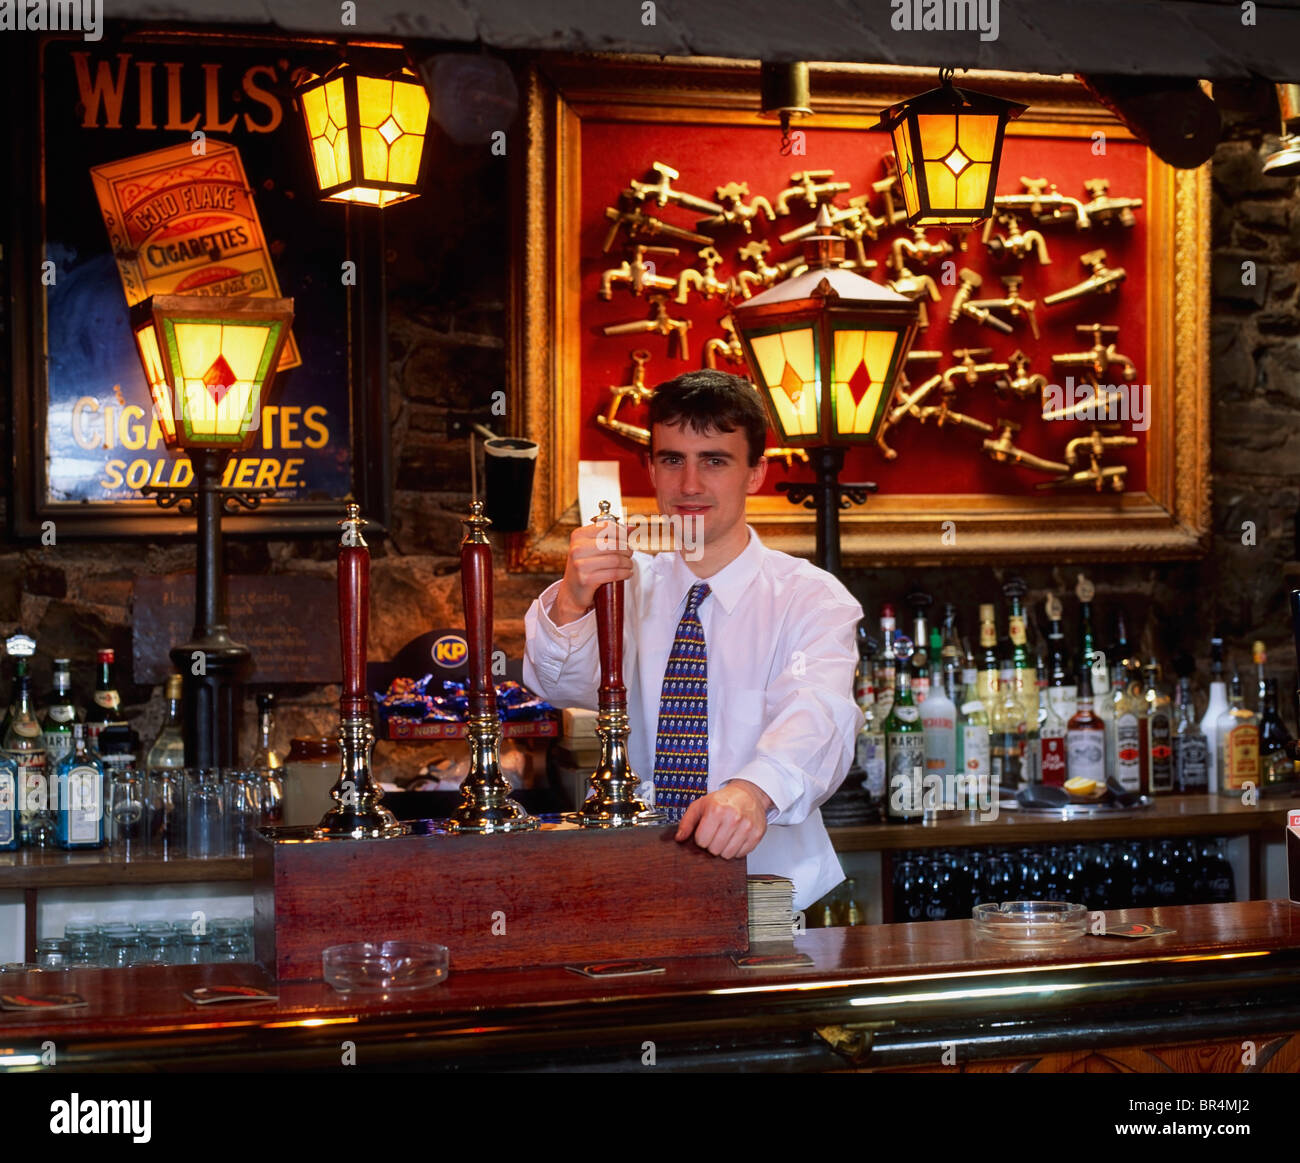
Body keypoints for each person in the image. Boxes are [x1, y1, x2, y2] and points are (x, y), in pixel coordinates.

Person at [523, 370, 864, 911]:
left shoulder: (810, 598)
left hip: (772, 898)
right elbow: (559, 686)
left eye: (715, 460)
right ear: (651, 468)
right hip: (635, 883)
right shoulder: (622, 587)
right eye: (673, 459)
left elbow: (819, 714)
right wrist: (571, 599)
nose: (689, 486)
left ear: (755, 473)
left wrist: (752, 792)